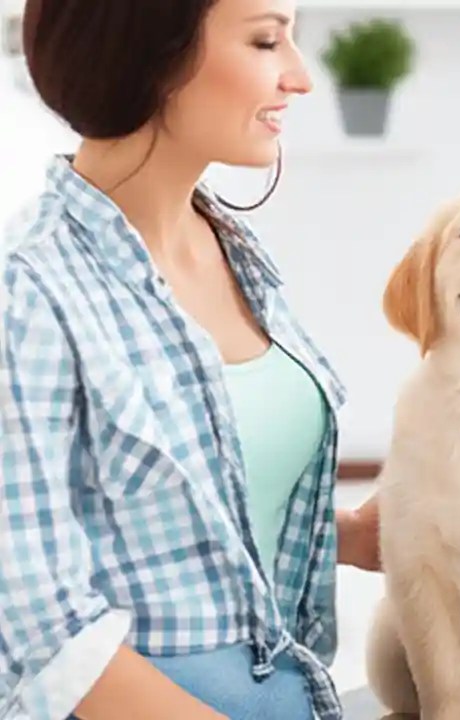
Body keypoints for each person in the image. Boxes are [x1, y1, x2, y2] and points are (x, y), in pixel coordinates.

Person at [0, 1, 381, 718]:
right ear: (151, 52)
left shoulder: (234, 251)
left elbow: (169, 526)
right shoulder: (30, 290)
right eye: (268, 40)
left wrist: (351, 536)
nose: (299, 77)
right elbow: (40, 625)